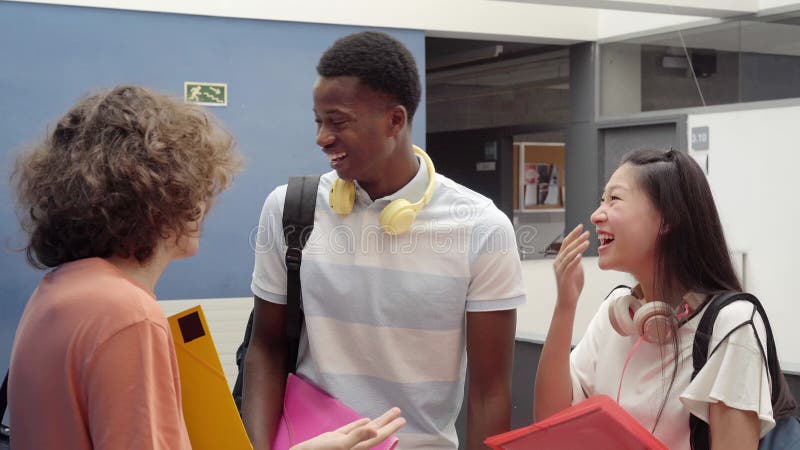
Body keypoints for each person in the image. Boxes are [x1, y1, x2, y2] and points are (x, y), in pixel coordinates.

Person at [8, 85, 402, 450]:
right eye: (197, 188)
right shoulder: (128, 316)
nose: (205, 205)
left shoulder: (58, 292)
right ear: (161, 197)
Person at [243, 31, 526, 450]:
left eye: (337, 122)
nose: (322, 137)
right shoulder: (289, 209)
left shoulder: (483, 228)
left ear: (395, 121)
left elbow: (490, 392)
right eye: (318, 121)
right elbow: (264, 348)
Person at [534, 148, 776, 450]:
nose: (597, 214)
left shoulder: (733, 324)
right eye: (601, 200)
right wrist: (565, 307)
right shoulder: (618, 314)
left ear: (666, 219)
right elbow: (550, 421)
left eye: (615, 199)